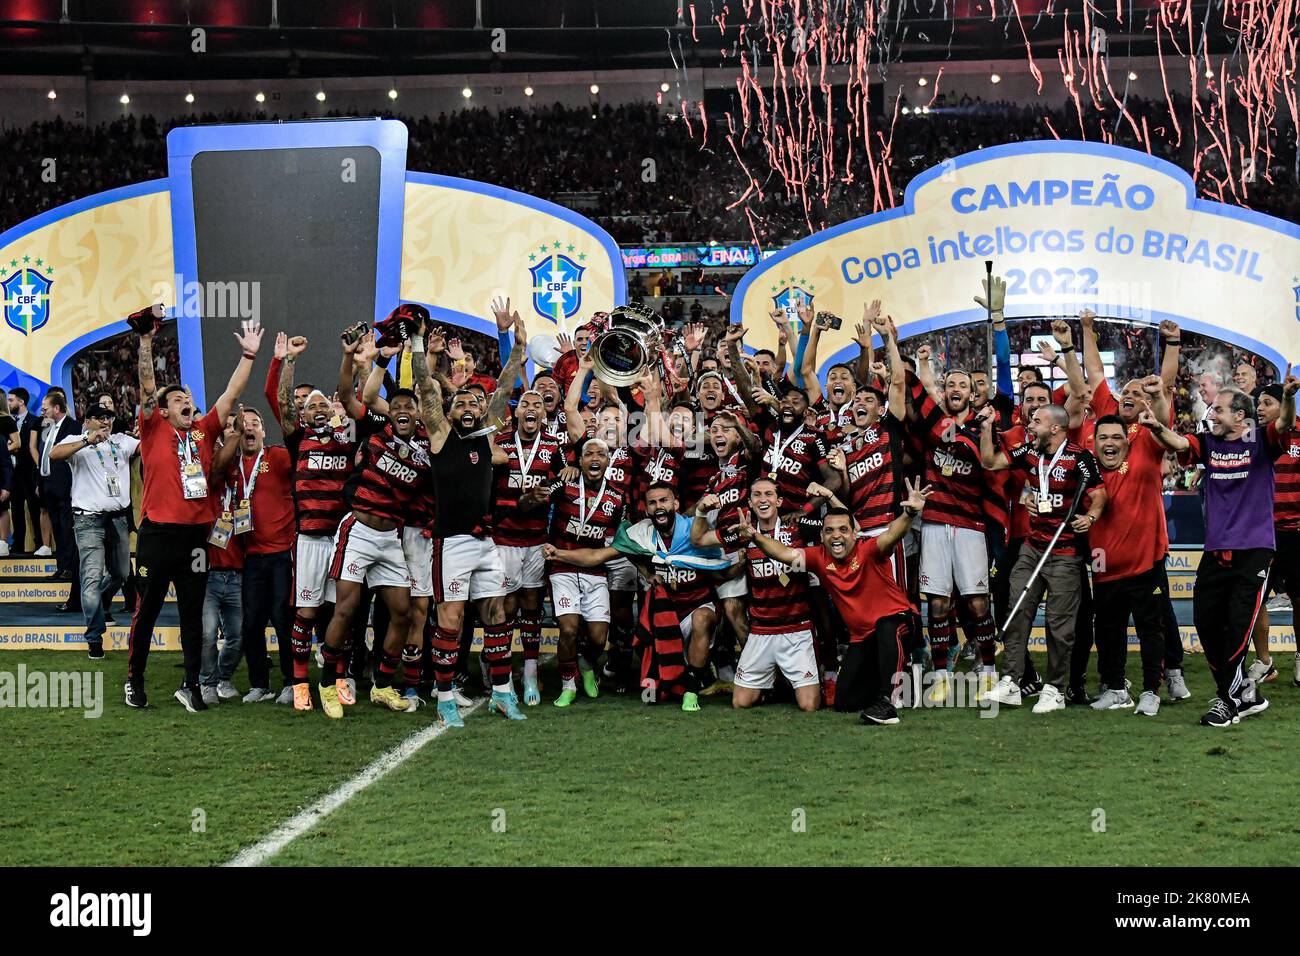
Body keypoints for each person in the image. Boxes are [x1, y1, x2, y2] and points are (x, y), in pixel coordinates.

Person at [1139, 375, 1298, 726]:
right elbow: (1179, 442)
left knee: (1239, 624)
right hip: (1215, 550)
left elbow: (1284, 423)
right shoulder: (1209, 442)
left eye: (1219, 410)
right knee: (1206, 620)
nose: (1211, 414)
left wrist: (1288, 397)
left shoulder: (1261, 439)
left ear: (1240, 416)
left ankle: (1227, 701)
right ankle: (1245, 693)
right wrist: (1156, 427)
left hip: (1254, 549)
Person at [126, 317, 264, 712]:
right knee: (147, 611)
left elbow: (231, 394)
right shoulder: (153, 429)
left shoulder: (203, 431)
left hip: (195, 538)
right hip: (157, 534)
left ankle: (191, 685)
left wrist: (248, 355)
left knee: (192, 615)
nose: (185, 401)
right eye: (177, 400)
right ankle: (135, 680)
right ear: (163, 411)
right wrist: (146, 340)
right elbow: (147, 387)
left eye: (187, 397)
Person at [740, 480, 932, 725]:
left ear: (854, 533)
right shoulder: (819, 558)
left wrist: (909, 513)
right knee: (844, 702)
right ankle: (902, 683)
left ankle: (888, 702)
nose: (836, 536)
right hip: (862, 638)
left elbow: (893, 534)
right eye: (829, 531)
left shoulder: (869, 549)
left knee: (887, 626)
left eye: (843, 529)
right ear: (822, 536)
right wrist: (755, 536)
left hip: (901, 622)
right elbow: (785, 553)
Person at [414, 309, 527, 727]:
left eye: (473, 402)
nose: (467, 405)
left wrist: (516, 346)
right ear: (450, 410)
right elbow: (425, 385)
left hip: (485, 541)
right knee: (451, 621)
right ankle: (445, 699)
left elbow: (506, 385)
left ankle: (502, 694)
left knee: (497, 616)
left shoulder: (486, 434)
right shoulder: (441, 435)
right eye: (459, 401)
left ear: (481, 411)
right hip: (451, 542)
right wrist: (419, 344)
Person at [978, 402, 1107, 713]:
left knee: (1059, 624)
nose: (1030, 426)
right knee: (1017, 609)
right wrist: (986, 427)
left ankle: (1055, 689)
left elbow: (1100, 493)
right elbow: (990, 462)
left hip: (1065, 552)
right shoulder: (1029, 452)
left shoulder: (1079, 457)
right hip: (1033, 547)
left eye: (1036, 421)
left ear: (1055, 428)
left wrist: (1089, 518)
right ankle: (1011, 681)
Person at [692, 476, 820, 712]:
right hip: (761, 631)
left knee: (809, 705)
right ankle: (771, 685)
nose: (763, 500)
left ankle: (798, 679)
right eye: (757, 495)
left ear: (779, 501)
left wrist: (827, 496)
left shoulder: (798, 527)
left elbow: (845, 526)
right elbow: (698, 540)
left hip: (797, 628)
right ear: (749, 503)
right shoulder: (742, 531)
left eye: (769, 494)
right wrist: (701, 512)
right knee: (740, 702)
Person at [210, 406, 297, 706]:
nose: (248, 428)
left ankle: (291, 682)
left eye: (255, 423)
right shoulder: (230, 467)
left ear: (263, 431)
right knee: (252, 624)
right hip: (251, 559)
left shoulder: (279, 457)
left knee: (283, 621)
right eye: (242, 424)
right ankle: (260, 684)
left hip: (281, 555)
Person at [1088, 414, 1173, 716]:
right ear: (1094, 443)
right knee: (1109, 632)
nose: (1109, 443)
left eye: (1116, 437)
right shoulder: (1086, 471)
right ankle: (1116, 689)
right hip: (1104, 568)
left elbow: (1163, 416)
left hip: (1144, 566)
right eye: (1103, 438)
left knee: (1150, 631)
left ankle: (1151, 691)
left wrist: (1158, 397)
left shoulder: (1144, 456)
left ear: (1128, 441)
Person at [491, 389, 566, 705]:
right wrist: (518, 503)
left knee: (532, 604)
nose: (532, 408)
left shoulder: (553, 445)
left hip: (536, 539)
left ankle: (531, 672)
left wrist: (547, 490)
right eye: (525, 404)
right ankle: (505, 674)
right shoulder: (501, 443)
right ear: (517, 413)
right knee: (508, 606)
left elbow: (564, 478)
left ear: (544, 415)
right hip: (505, 538)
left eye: (537, 404)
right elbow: (488, 487)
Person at [48, 405, 138, 658]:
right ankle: (94, 638)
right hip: (87, 519)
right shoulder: (76, 440)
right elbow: (54, 454)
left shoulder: (121, 441)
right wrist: (87, 440)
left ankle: (98, 602)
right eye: (100, 418)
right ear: (87, 421)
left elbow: (147, 448)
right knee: (91, 578)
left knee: (121, 574)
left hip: (118, 518)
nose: (106, 421)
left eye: (109, 417)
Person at [542, 437, 625, 707]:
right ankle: (568, 684)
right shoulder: (565, 484)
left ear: (608, 461)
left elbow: (620, 537)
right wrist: (538, 493)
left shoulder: (617, 496)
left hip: (595, 571)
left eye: (600, 454)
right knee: (568, 629)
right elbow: (537, 499)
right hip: (561, 569)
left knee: (599, 638)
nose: (595, 458)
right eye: (589, 454)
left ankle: (587, 664)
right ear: (580, 460)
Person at [37, 390, 80, 602]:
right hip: (49, 486)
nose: (42, 411)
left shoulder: (73, 427)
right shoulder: (48, 427)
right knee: (57, 529)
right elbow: (43, 456)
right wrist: (40, 483)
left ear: (57, 408)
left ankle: (70, 568)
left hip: (65, 487)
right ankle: (61, 567)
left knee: (67, 529)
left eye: (45, 408)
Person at [8, 388, 41, 554]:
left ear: (21, 402)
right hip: (13, 474)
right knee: (16, 510)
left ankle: (40, 543)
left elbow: (35, 448)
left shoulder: (35, 421)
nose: (8, 403)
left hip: (30, 473)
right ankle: (17, 545)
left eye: (11, 400)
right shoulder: (8, 422)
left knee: (35, 509)